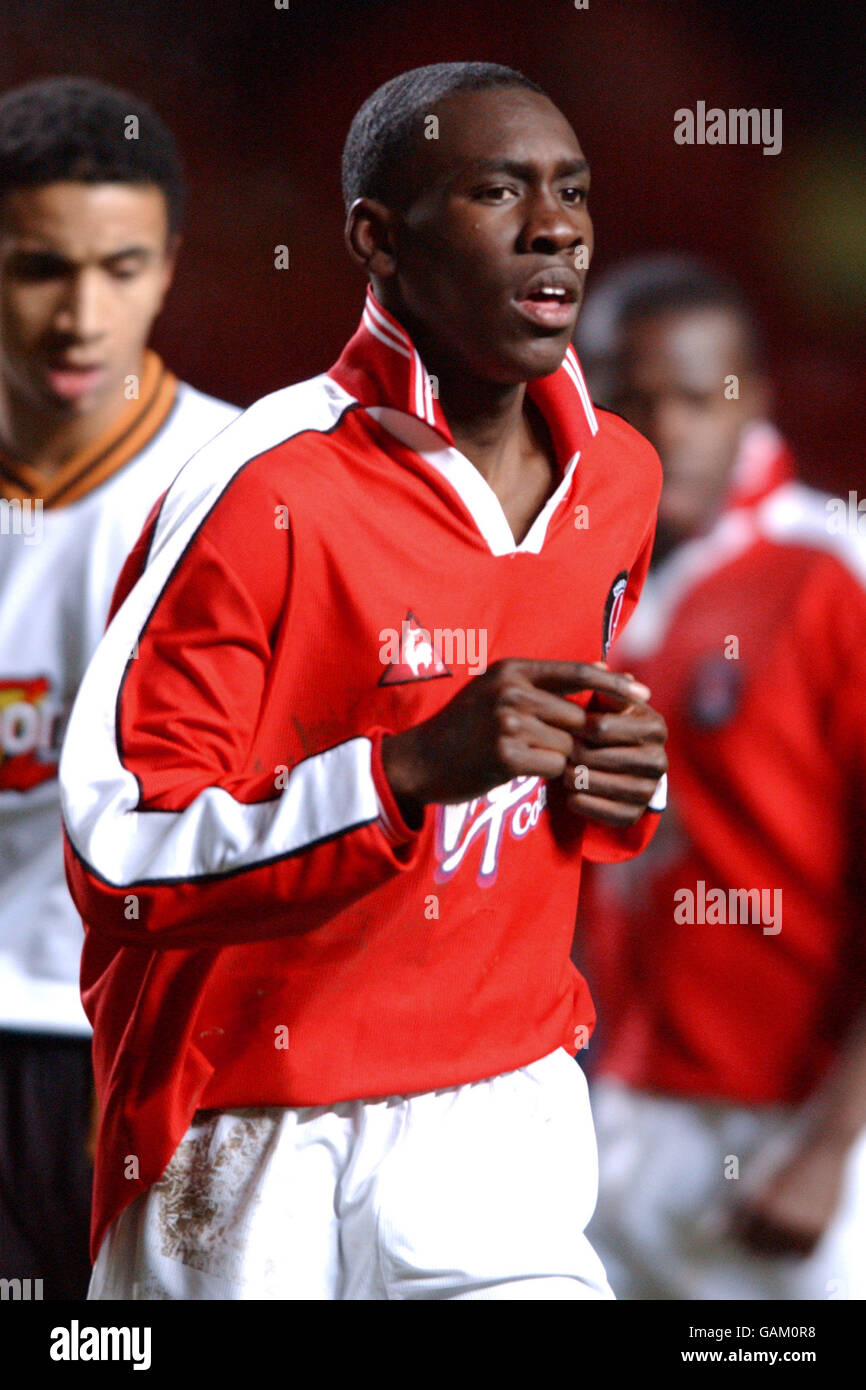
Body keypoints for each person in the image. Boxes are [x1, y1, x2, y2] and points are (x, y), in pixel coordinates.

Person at [61, 61, 667, 1302]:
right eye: (497, 190)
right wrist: (400, 771)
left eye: (571, 191)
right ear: (375, 240)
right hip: (249, 1128)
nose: (554, 226)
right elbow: (118, 853)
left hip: (501, 1109)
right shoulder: (263, 488)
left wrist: (612, 787)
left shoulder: (618, 483)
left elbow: (541, 787)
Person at [575, 253, 866, 1300]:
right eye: (628, 396)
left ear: (754, 401)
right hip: (616, 1115)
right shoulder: (576, 591)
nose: (666, 430)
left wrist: (831, 1146)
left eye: (698, 398)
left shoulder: (832, 575)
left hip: (794, 1129)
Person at [0, 76, 238, 1299]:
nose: (81, 317)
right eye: (40, 267)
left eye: (122, 266)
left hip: (142, 1046)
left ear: (169, 265)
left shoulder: (241, 484)